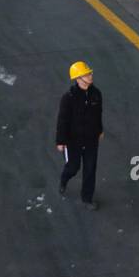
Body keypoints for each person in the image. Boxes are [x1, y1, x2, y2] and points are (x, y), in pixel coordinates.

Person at [56, 61, 103, 210]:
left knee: (90, 169)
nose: (90, 75)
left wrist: (100, 130)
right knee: (73, 167)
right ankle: (64, 178)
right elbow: (62, 120)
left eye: (90, 73)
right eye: (87, 74)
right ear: (78, 79)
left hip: (91, 140)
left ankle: (87, 199)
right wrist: (60, 141)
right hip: (73, 141)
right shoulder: (68, 98)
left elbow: (98, 115)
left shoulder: (96, 94)